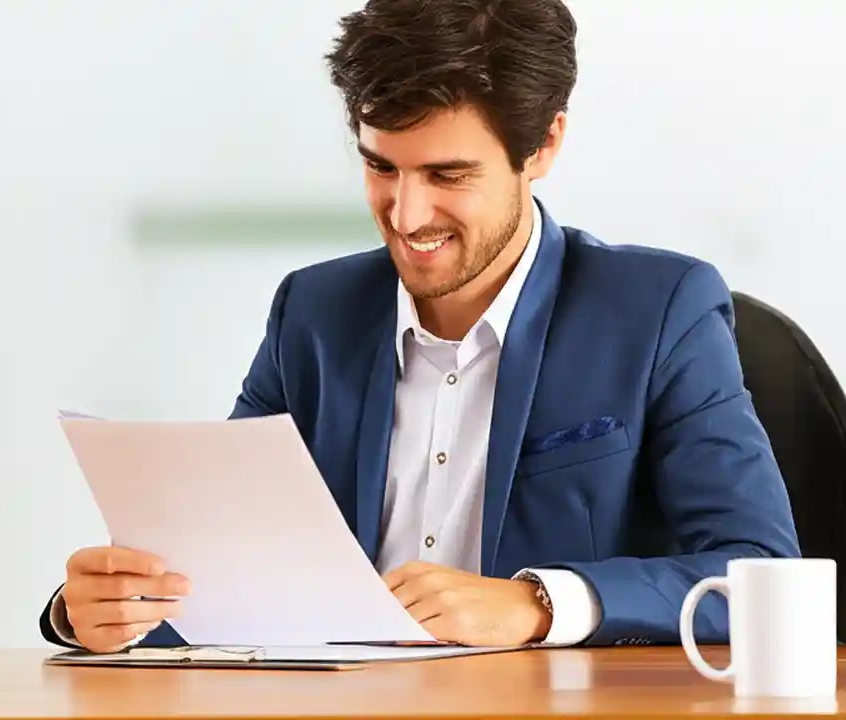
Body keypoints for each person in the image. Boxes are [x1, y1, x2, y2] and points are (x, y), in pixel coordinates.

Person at [39, 0, 801, 654]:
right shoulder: (312, 314)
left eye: (447, 176)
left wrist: (539, 605)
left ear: (543, 146)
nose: (405, 217)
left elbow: (761, 572)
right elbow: (232, 579)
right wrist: (105, 615)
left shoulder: (658, 308)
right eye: (381, 168)